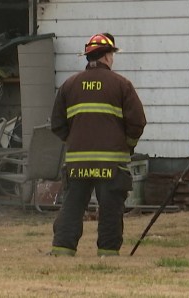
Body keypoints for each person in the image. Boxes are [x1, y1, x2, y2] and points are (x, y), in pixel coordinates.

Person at [50, 32, 147, 257]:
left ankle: (62, 249)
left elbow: (57, 123)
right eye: (112, 54)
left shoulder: (69, 85)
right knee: (111, 209)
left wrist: (75, 141)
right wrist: (128, 145)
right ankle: (108, 252)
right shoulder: (122, 84)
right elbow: (137, 122)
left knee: (72, 206)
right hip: (112, 163)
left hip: (77, 162)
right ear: (107, 56)